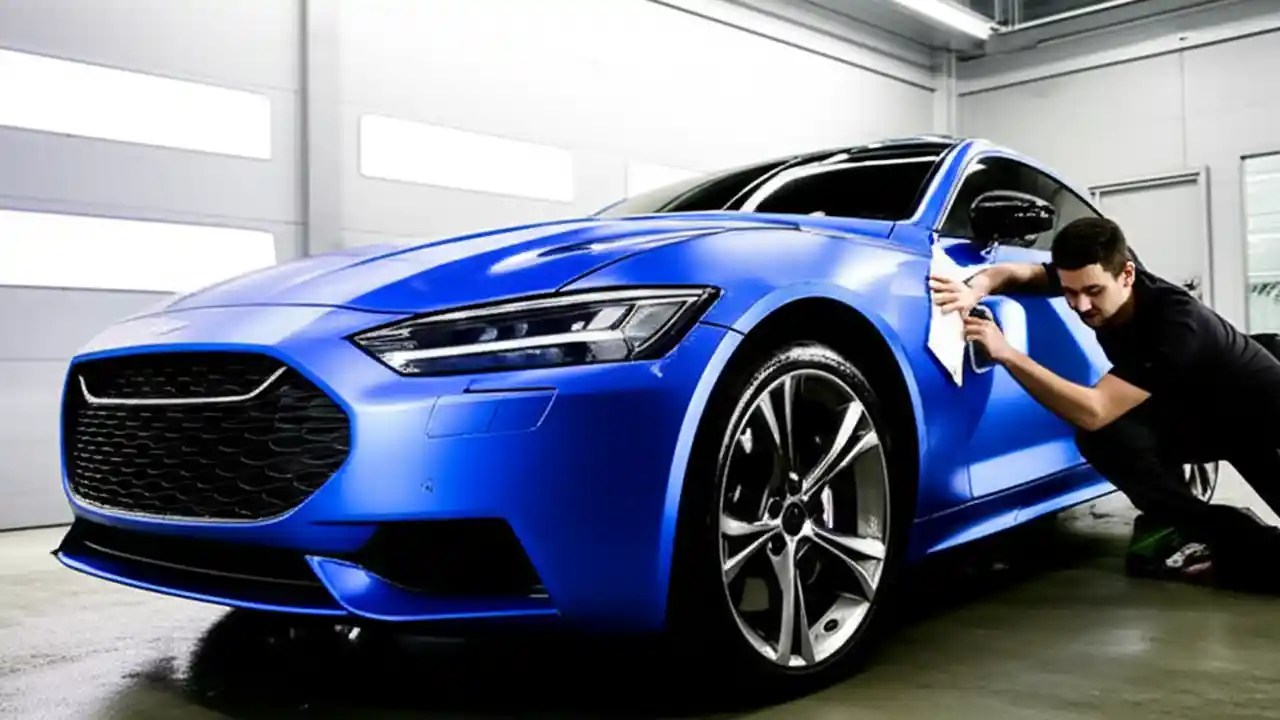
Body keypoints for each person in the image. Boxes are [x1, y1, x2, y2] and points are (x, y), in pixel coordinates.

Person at [930, 216, 1280, 588]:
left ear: (1126, 274)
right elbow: (1019, 274)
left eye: (1093, 292)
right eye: (1070, 292)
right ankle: (1224, 536)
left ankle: (1249, 553)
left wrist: (1007, 354)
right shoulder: (1100, 277)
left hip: (1264, 421)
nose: (1081, 306)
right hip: (1208, 417)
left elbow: (1095, 410)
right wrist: (975, 289)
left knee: (1098, 423)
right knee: (1109, 438)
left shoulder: (1175, 324)